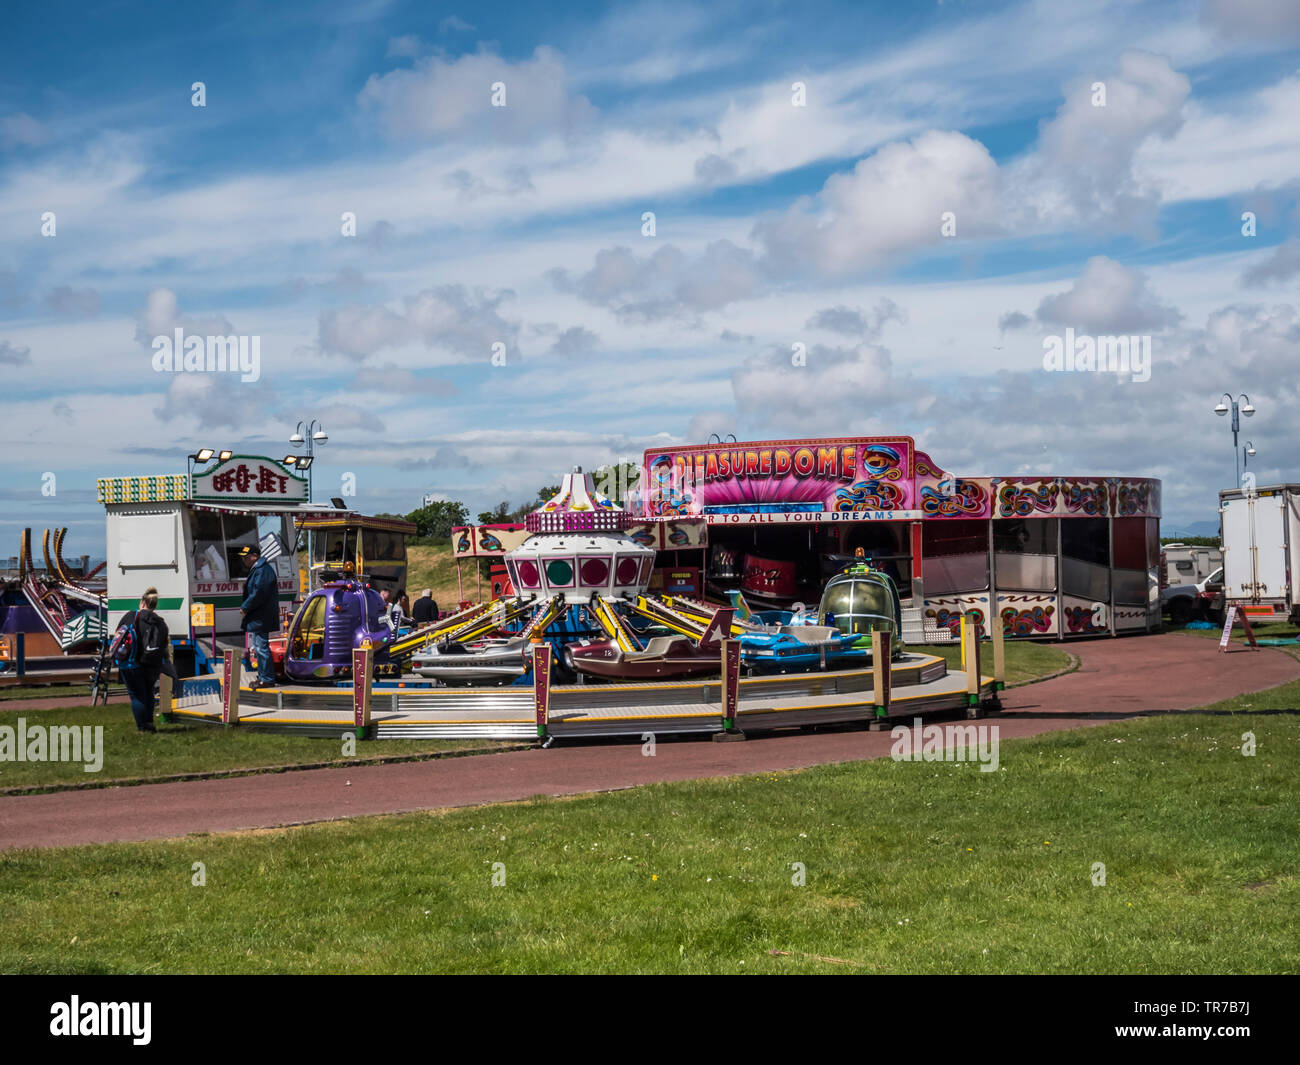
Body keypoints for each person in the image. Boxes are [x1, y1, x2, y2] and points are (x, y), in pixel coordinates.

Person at [112, 587, 177, 733]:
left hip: (131, 663)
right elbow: (164, 646)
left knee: (137, 696)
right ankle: (149, 724)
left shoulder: (131, 616)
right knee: (148, 693)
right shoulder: (160, 623)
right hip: (152, 665)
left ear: (142, 603)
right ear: (154, 604)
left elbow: (118, 636)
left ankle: (142, 727)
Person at [239, 545, 279, 689]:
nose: (244, 560)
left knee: (261, 647)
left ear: (255, 556)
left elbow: (259, 593)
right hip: (259, 615)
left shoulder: (262, 570)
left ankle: (267, 678)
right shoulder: (259, 569)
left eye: (246, 557)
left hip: (262, 616)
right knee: (258, 647)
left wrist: (245, 607)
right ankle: (263, 676)